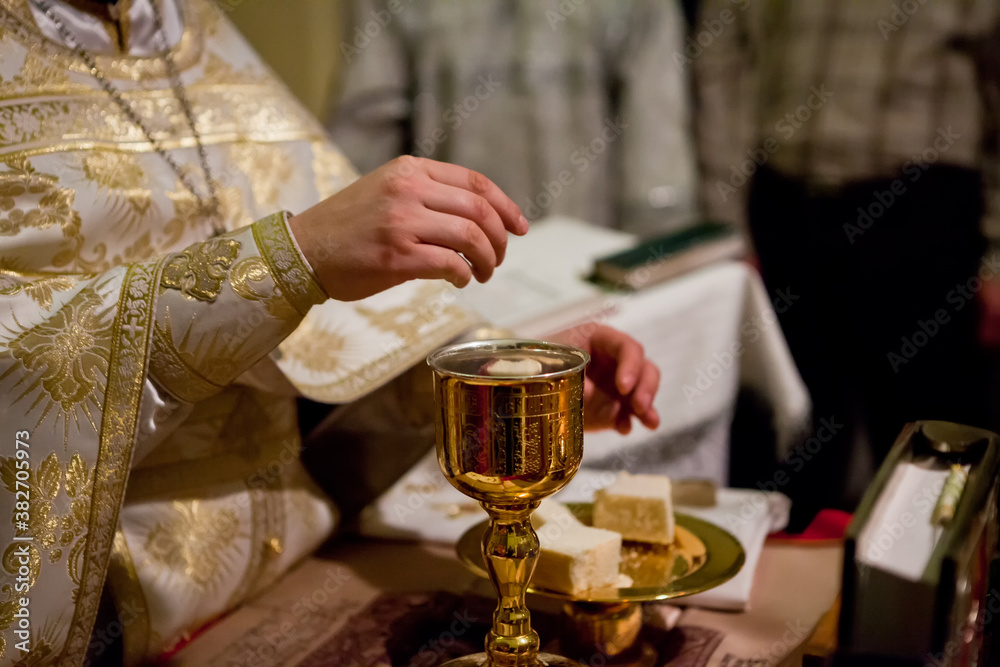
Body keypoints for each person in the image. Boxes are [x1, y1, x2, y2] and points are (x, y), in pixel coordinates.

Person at [0, 0, 661, 663]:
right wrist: (292, 257)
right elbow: (20, 375)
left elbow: (324, 331)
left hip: (307, 574)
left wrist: (494, 385)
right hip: (108, 624)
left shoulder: (187, 24)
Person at [694, 0, 1000, 526]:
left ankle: (920, 603)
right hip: (784, 209)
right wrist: (728, 223)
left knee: (928, 461)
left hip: (922, 214)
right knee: (786, 452)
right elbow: (723, 60)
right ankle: (784, 601)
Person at [328, 0, 698, 237]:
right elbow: (365, 130)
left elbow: (654, 137)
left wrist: (655, 254)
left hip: (595, 258)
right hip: (448, 264)